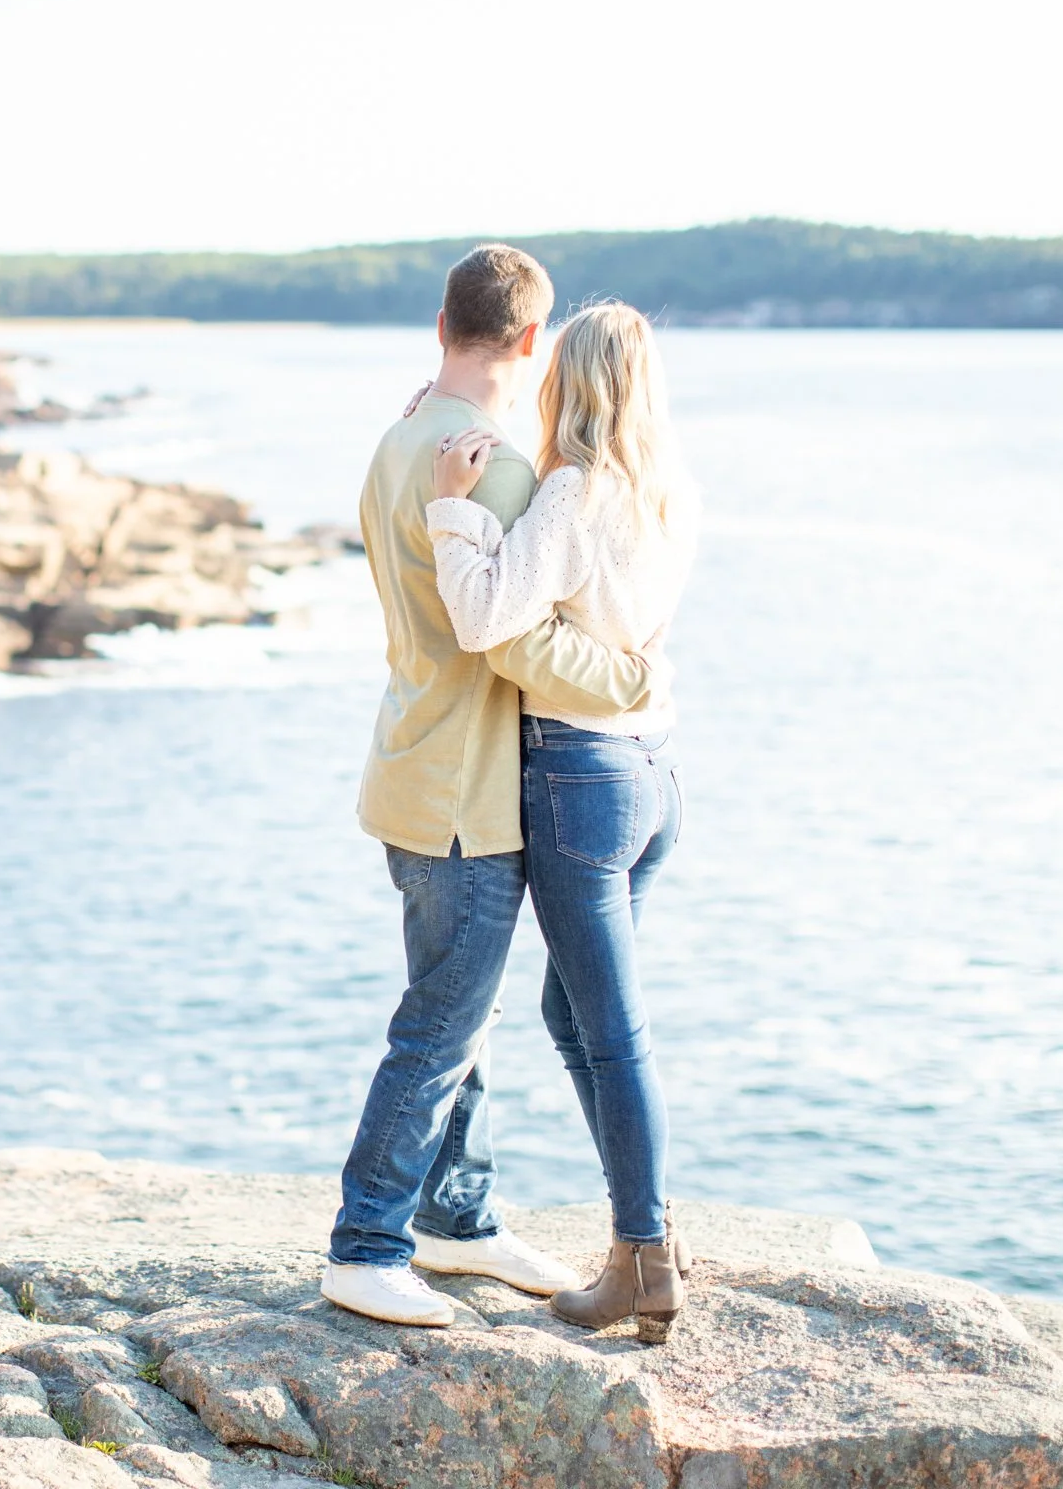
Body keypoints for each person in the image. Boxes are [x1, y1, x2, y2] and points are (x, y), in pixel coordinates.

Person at [321, 247, 670, 1328]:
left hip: (412, 762)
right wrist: (629, 677)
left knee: (458, 1011)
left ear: (441, 324)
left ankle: (456, 1216)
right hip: (471, 789)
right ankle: (367, 1240)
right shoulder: (502, 471)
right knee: (441, 1027)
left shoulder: (403, 438)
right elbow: (512, 643)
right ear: (531, 343)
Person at [425, 300, 699, 1343]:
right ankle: (649, 1236)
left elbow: (489, 616)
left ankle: (644, 1252)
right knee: (571, 1014)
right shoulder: (667, 490)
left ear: (566, 382)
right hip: (654, 777)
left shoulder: (574, 495)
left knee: (612, 1028)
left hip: (578, 781)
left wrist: (455, 505)